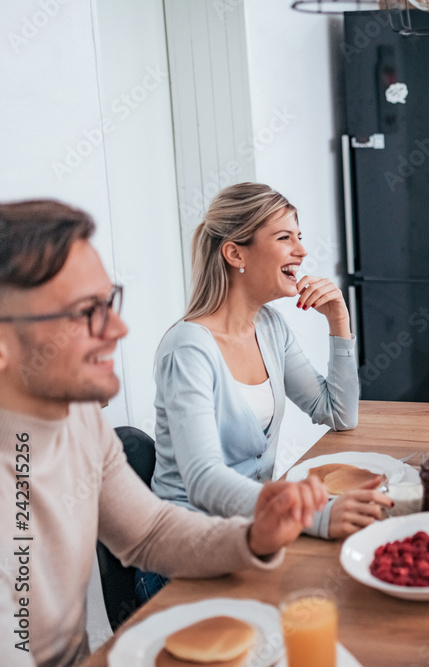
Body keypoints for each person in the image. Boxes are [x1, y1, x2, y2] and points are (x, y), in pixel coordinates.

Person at [0, 200, 328, 667]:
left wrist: (254, 537)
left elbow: (149, 532)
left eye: (108, 300)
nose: (117, 328)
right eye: (83, 311)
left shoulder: (77, 419)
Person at [147, 183, 389, 597]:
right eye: (284, 238)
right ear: (235, 253)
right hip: (184, 556)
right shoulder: (187, 349)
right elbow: (205, 480)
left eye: (299, 236)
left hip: (253, 531)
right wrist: (318, 515)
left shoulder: (270, 328)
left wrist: (338, 320)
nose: (301, 250)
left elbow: (338, 413)